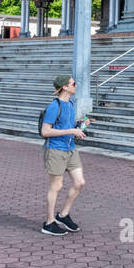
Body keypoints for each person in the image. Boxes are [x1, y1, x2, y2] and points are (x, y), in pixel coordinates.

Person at [40, 75, 87, 235]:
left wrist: (80, 125)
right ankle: (49, 222)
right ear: (65, 87)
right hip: (55, 150)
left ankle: (63, 215)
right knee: (56, 186)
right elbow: (45, 131)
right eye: (73, 83)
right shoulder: (54, 106)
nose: (76, 85)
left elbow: (68, 125)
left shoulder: (71, 104)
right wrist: (71, 130)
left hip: (70, 149)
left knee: (79, 182)